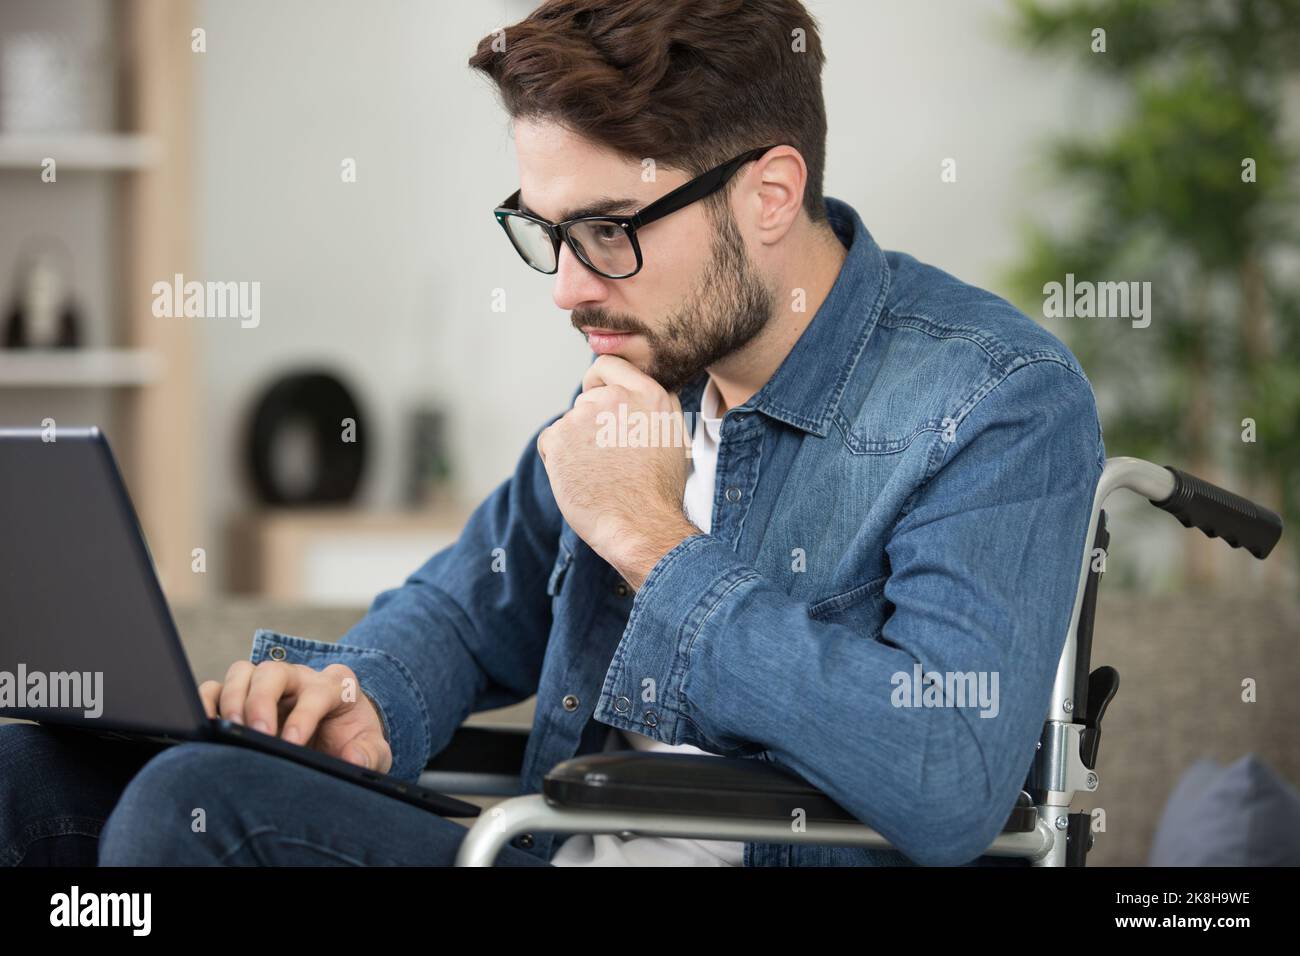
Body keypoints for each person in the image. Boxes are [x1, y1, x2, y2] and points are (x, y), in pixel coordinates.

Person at [0, 0, 1103, 867]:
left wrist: (655, 545)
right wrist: (365, 694)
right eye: (548, 234)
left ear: (770, 193)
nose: (568, 288)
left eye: (609, 230)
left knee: (196, 810)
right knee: (27, 772)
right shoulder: (645, 365)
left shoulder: (994, 398)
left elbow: (949, 775)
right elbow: (463, 611)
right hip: (543, 846)